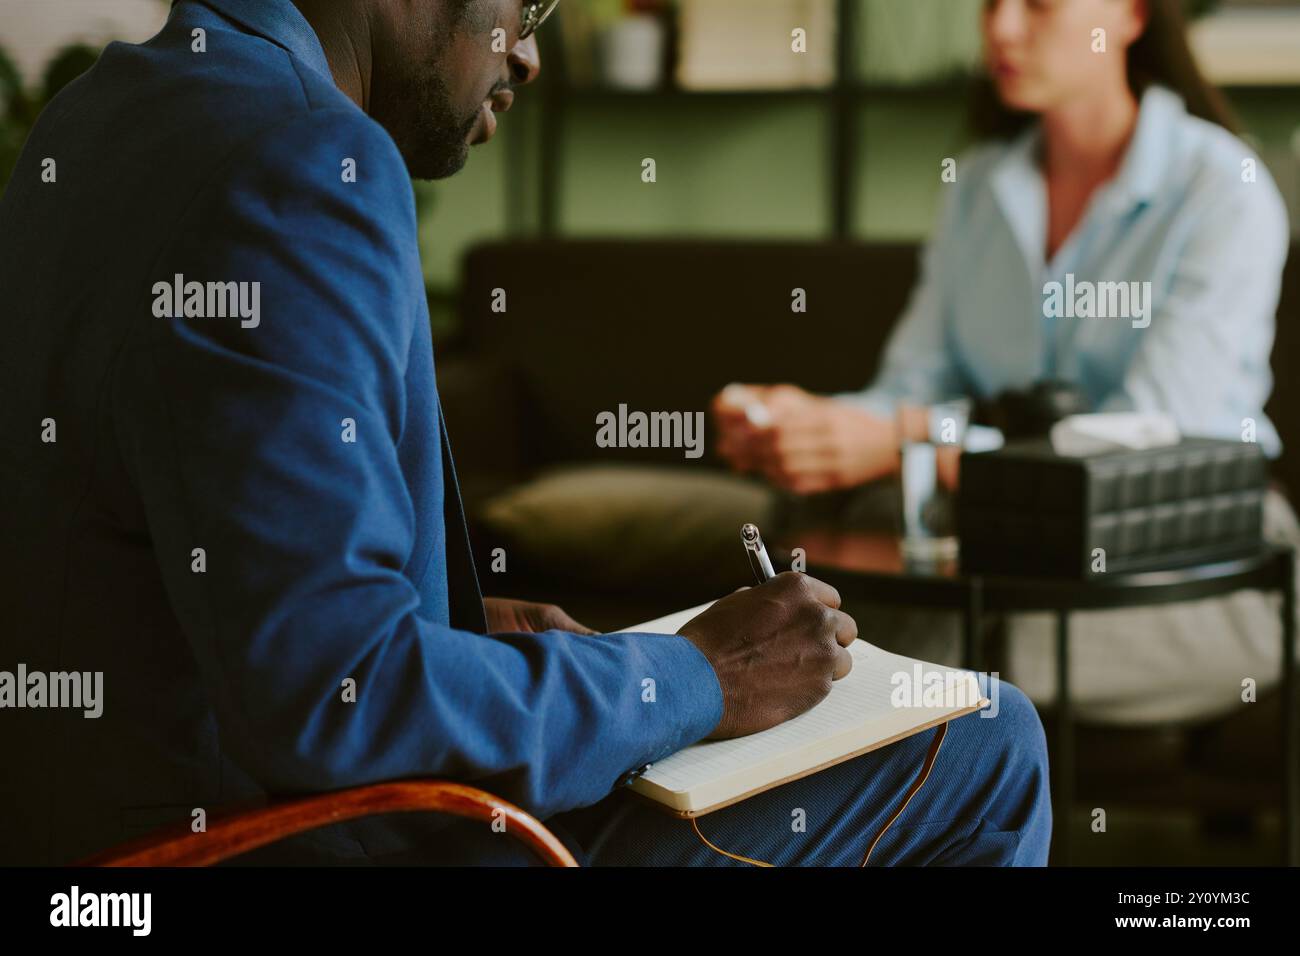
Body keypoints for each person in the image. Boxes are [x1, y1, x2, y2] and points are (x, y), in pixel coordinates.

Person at [0, 0, 1050, 866]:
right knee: (989, 738)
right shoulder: (305, 160)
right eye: (528, 6)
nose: (531, 55)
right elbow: (335, 696)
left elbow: (191, 562)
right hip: (282, 843)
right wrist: (693, 675)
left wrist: (446, 619)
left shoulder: (96, 118)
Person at [713, 0, 1296, 726]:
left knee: (965, 647)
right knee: (848, 589)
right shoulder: (981, 184)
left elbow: (1141, 438)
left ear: (1134, 13)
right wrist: (806, 423)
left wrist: (908, 440)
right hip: (1002, 534)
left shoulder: (1221, 188)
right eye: (991, 3)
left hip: (1181, 541)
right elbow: (911, 387)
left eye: (1039, 5)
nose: (1002, 29)